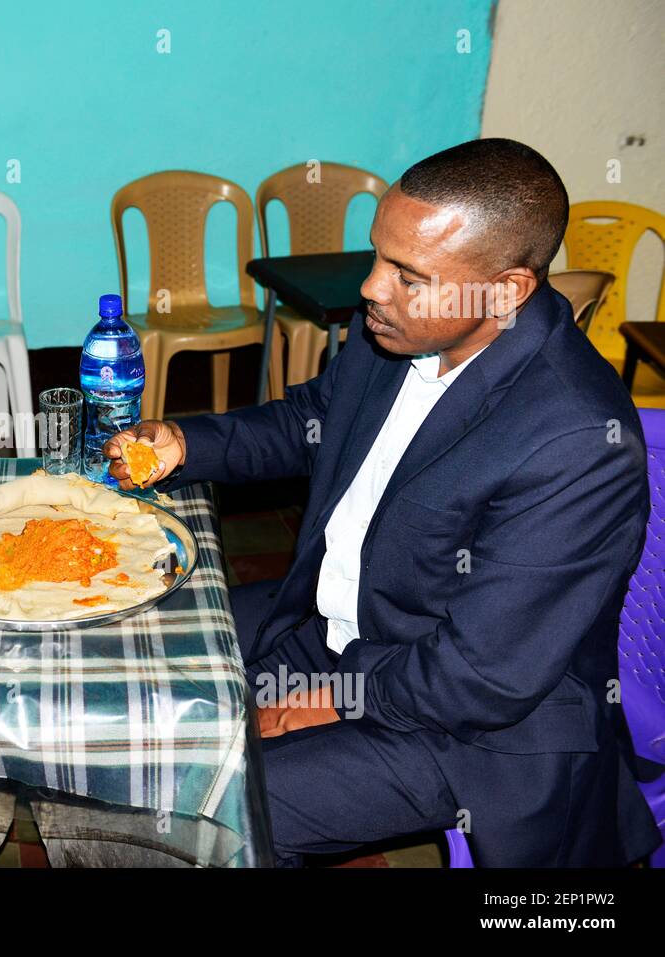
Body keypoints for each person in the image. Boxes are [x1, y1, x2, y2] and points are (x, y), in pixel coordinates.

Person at [106, 138, 662, 867]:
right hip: (345, 626)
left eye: (408, 274)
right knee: (132, 648)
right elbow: (307, 422)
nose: (372, 288)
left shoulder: (574, 440)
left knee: (210, 811)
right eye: (378, 257)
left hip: (466, 727)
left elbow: (480, 674)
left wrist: (326, 699)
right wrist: (185, 442)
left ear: (505, 290)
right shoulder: (404, 328)